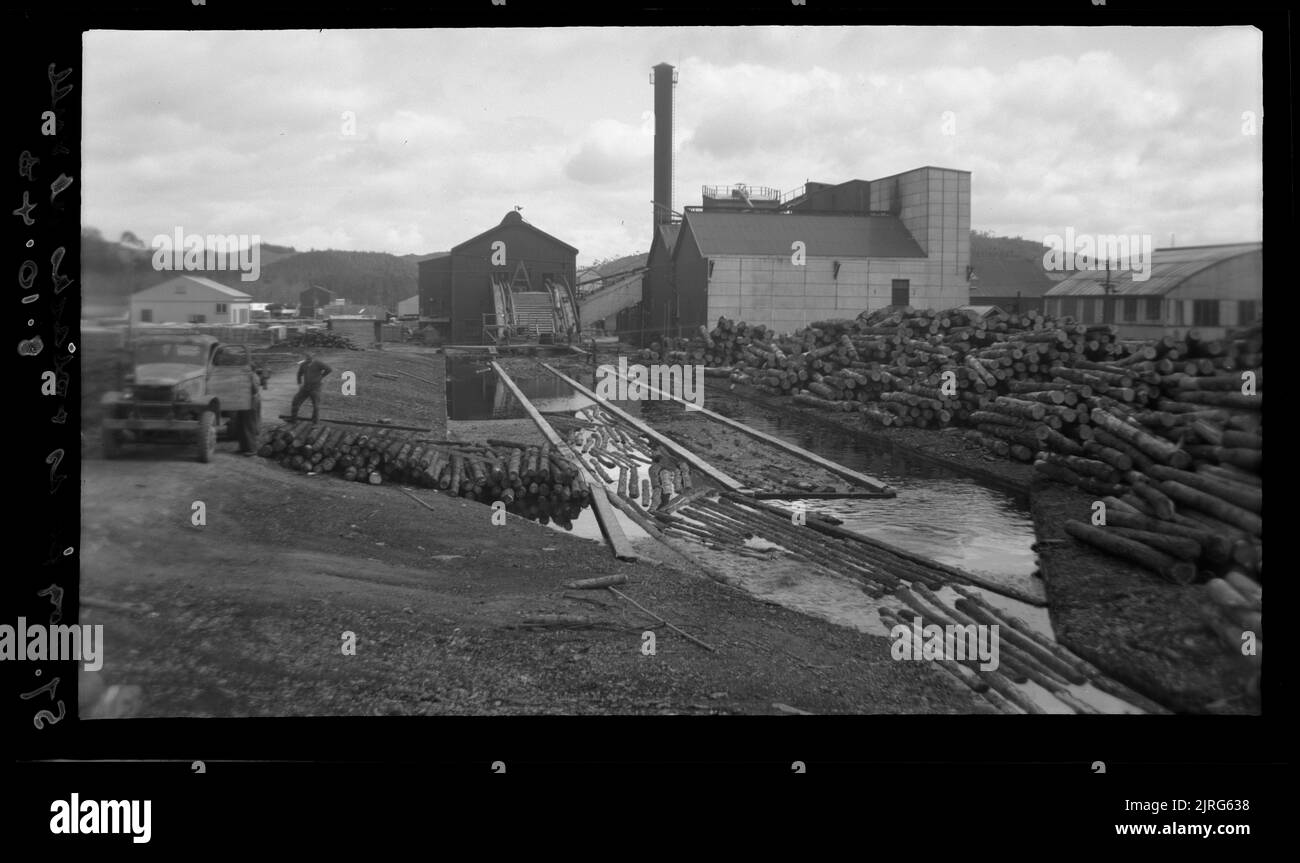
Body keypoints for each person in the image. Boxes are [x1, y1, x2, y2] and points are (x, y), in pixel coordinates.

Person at [290, 350, 333, 422]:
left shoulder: (318, 363)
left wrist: (321, 377)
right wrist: (299, 383)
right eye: (306, 356)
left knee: (316, 406)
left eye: (309, 356)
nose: (308, 357)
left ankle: (315, 422)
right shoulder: (303, 364)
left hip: (315, 388)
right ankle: (293, 419)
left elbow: (329, 369)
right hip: (305, 387)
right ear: (305, 357)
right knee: (296, 401)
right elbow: (299, 374)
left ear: (313, 356)